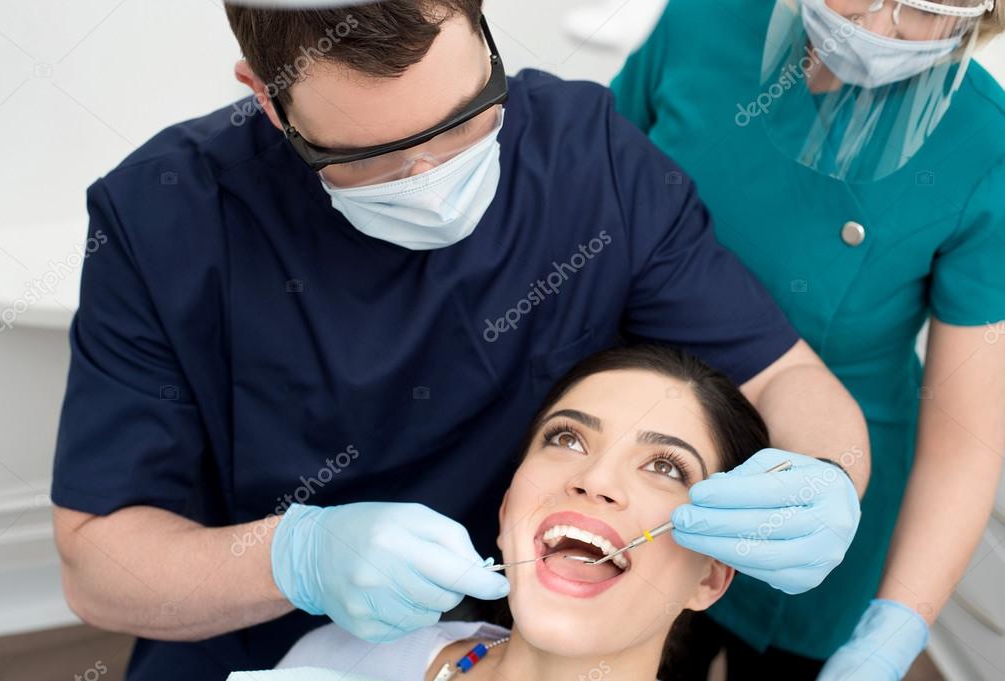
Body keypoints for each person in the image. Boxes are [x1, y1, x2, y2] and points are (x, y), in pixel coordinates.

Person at [50, 2, 870, 679]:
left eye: (463, 121)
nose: (431, 179)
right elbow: (98, 567)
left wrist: (825, 477)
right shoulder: (163, 216)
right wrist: (294, 558)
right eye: (373, 158)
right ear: (268, 100)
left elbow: (781, 378)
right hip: (243, 642)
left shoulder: (590, 163)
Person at [610, 0, 1005, 678]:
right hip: (643, 443)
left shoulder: (985, 147)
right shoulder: (703, 21)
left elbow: (965, 439)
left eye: (923, 7)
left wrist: (898, 624)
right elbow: (586, 201)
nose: (876, 27)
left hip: (825, 492)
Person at [250, 343, 775, 681]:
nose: (594, 480)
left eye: (665, 467)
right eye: (567, 438)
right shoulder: (341, 657)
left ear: (709, 578)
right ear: (506, 513)